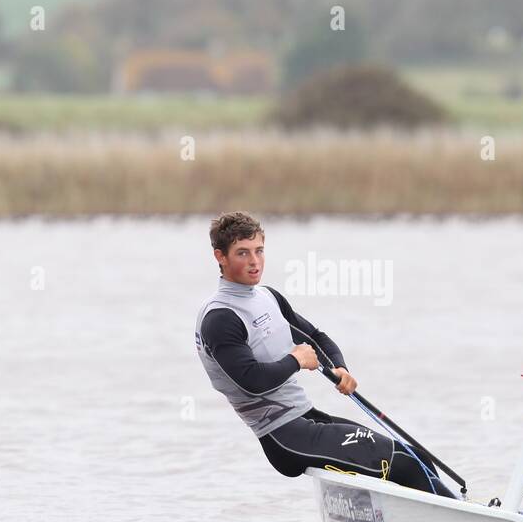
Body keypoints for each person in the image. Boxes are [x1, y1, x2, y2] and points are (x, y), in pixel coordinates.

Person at [194, 211, 453, 497]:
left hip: (305, 419)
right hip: (284, 437)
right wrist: (296, 360)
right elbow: (251, 380)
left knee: (416, 456)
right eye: (242, 253)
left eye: (259, 251)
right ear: (220, 257)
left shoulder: (267, 297)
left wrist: (339, 367)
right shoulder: (220, 317)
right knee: (405, 464)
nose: (255, 262)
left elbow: (316, 338)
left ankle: (450, 520)